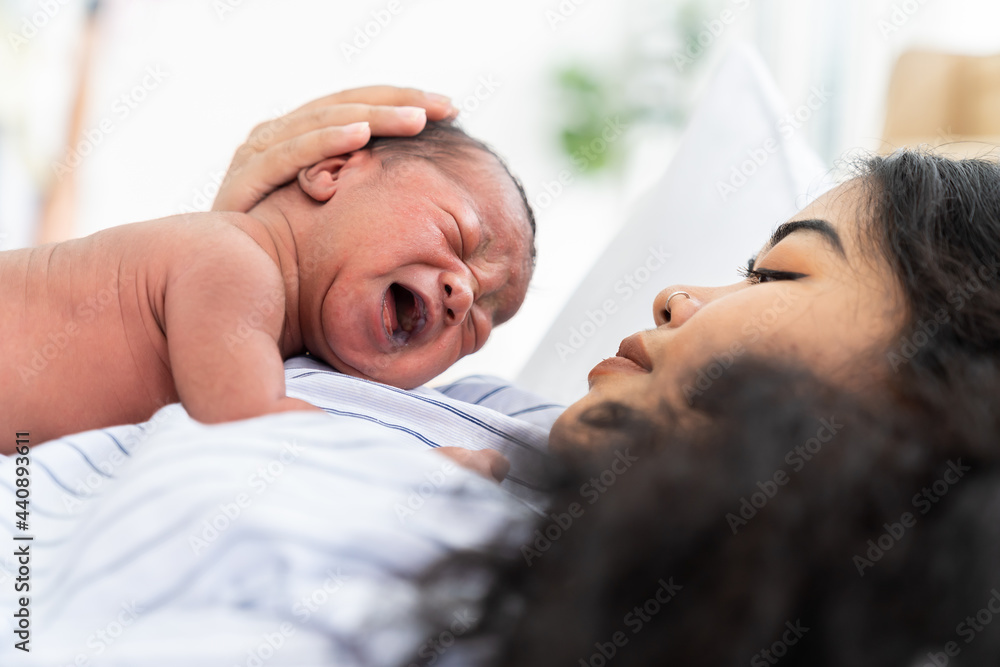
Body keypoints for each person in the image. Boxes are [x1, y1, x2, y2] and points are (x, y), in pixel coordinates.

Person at [1, 106, 535, 450]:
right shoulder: (234, 262)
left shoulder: (278, 356)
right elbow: (255, 433)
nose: (463, 297)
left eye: (476, 330)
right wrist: (427, 474)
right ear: (332, 171)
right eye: (459, 234)